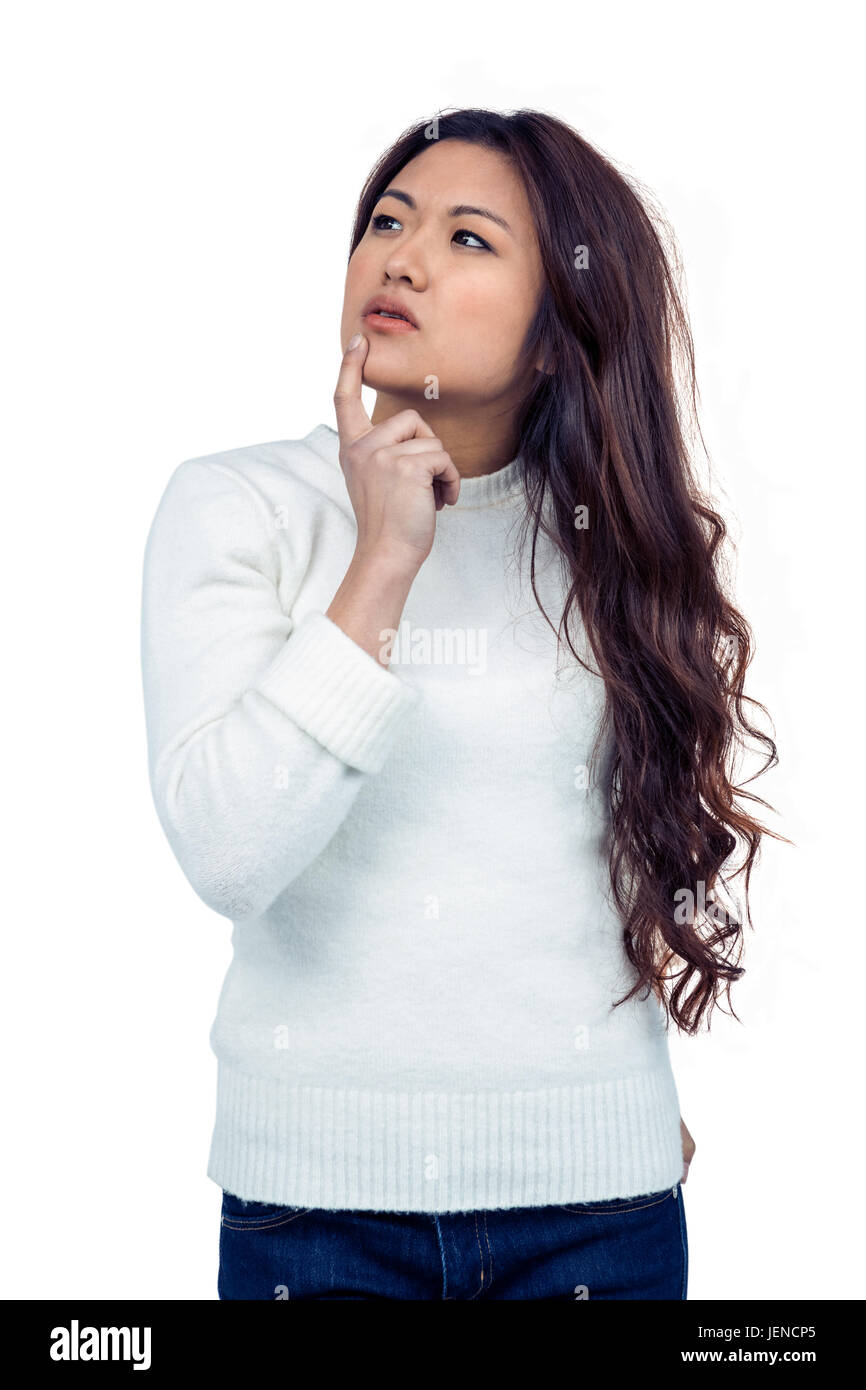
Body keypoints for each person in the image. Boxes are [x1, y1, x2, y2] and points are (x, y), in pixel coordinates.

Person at [140, 107, 778, 1300]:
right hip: (315, 1219)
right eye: (386, 221)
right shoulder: (235, 507)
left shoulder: (615, 542)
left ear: (556, 332)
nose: (402, 257)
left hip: (597, 1219)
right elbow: (229, 852)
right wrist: (382, 560)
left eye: (468, 239)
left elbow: (617, 855)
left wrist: (615, 1112)